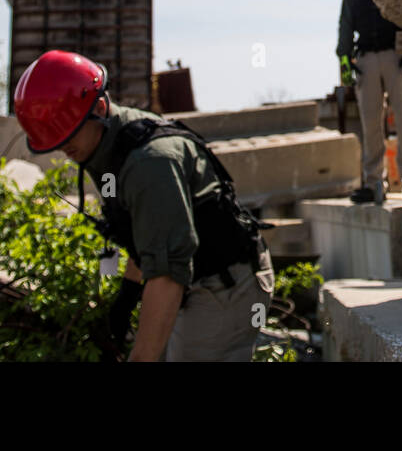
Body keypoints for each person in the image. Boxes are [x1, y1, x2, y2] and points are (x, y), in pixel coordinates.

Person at [14, 49, 273, 362]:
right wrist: (128, 293)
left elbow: (168, 270)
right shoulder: (101, 141)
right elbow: (146, 231)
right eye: (56, 141)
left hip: (225, 282)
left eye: (69, 134)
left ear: (98, 106)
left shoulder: (149, 162)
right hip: (188, 275)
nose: (64, 148)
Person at [336, 0, 402, 204]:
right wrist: (344, 61)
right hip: (366, 61)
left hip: (397, 56)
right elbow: (345, 28)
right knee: (370, 124)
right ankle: (373, 184)